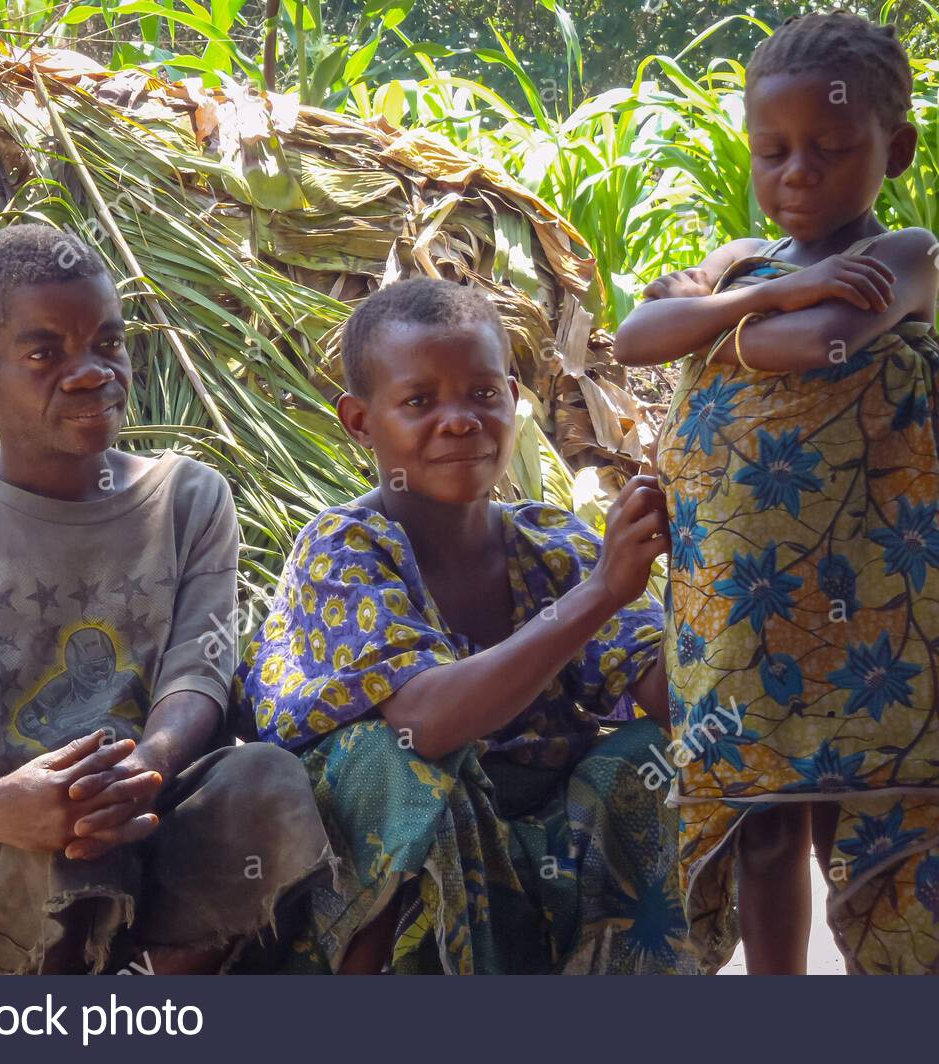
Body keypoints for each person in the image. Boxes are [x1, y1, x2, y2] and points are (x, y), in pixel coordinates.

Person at [615, 12, 939, 975]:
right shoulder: (746, 269)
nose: (797, 174)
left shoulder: (906, 255)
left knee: (870, 836)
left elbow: (818, 343)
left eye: (829, 149)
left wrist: (735, 313)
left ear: (895, 148)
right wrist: (753, 295)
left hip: (872, 613)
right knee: (765, 825)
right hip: (745, 613)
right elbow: (631, 335)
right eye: (771, 151)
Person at [0, 223, 330, 974]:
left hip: (147, 798)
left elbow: (196, 673)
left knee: (263, 778)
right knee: (67, 848)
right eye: (46, 354)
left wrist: (142, 771)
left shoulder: (188, 499)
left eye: (107, 344)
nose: (90, 374)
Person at [233, 276, 700, 974]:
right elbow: (429, 720)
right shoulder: (345, 547)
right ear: (360, 423)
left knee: (646, 757)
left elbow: (673, 698)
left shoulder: (551, 543)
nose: (459, 421)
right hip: (384, 867)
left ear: (514, 401)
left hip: (531, 845)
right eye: (419, 401)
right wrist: (603, 590)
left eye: (483, 394)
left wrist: (705, 547)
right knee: (397, 767)